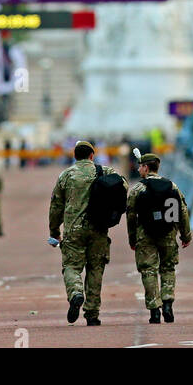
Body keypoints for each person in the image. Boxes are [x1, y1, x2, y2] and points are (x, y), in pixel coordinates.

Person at [48, 140, 125, 326]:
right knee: (96, 268)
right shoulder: (105, 172)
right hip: (98, 228)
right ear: (92, 156)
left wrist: (54, 230)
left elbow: (56, 205)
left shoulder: (66, 175)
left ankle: (75, 293)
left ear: (75, 156)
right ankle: (92, 313)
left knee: (71, 266)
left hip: (74, 229)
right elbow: (123, 187)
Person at [126, 152, 191, 324]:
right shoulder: (172, 186)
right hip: (168, 233)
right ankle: (168, 303)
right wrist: (186, 235)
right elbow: (183, 211)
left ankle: (154, 310)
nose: (139, 169)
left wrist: (132, 239)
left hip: (145, 235)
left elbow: (131, 216)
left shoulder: (138, 189)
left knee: (149, 270)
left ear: (146, 168)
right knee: (168, 268)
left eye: (140, 166)